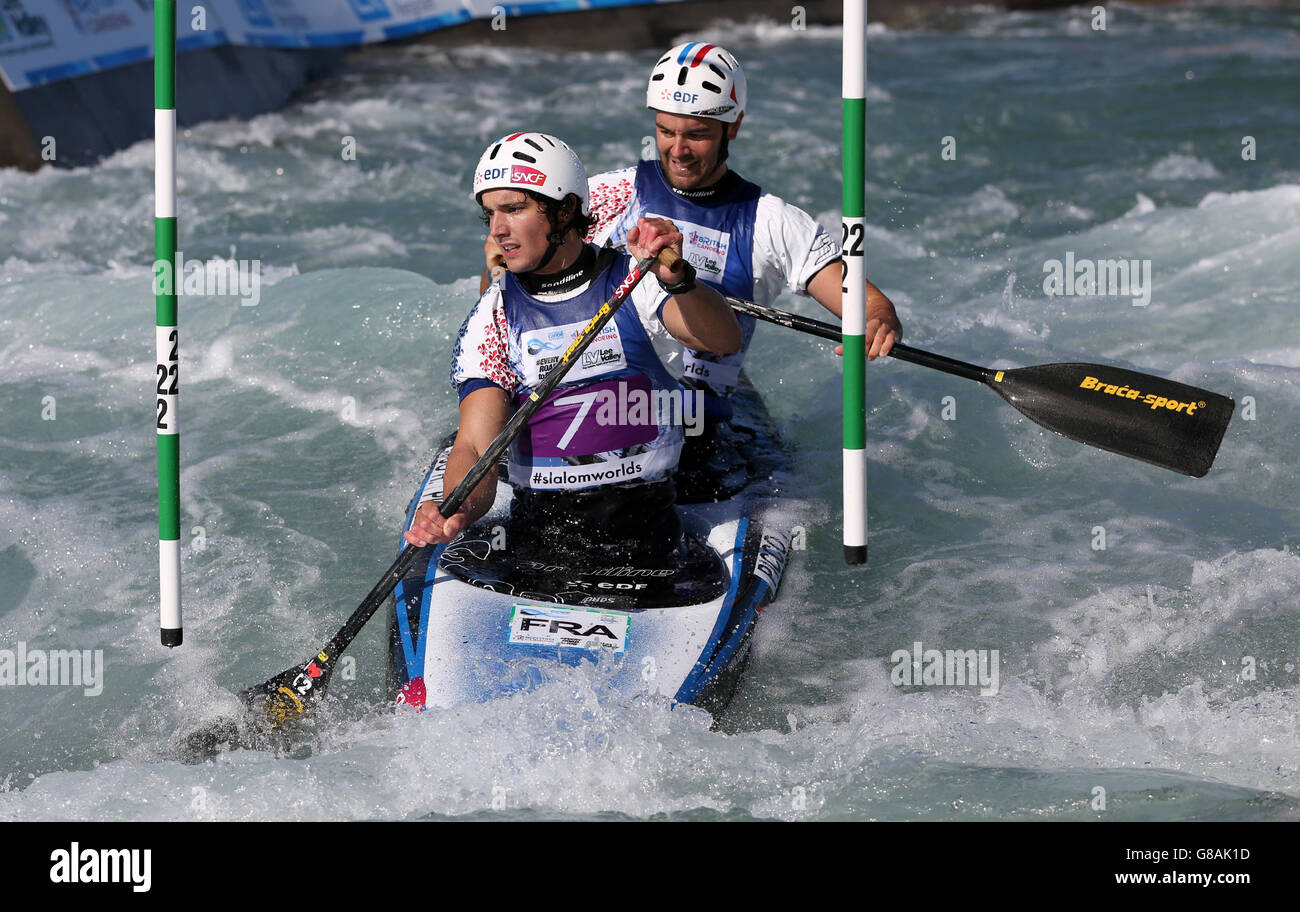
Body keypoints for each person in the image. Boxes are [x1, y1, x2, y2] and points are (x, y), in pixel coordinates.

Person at [582, 42, 904, 496]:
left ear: (733, 127)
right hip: (601, 403)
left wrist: (877, 322)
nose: (679, 150)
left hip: (697, 420)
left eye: (696, 134)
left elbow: (867, 302)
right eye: (665, 131)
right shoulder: (607, 194)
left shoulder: (772, 221)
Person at [405, 132, 740, 566]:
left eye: (514, 209)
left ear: (564, 210)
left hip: (650, 537)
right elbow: (473, 446)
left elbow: (722, 340)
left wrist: (677, 279)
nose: (497, 231)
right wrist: (457, 509)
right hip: (541, 540)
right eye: (490, 214)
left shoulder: (634, 279)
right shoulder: (491, 319)